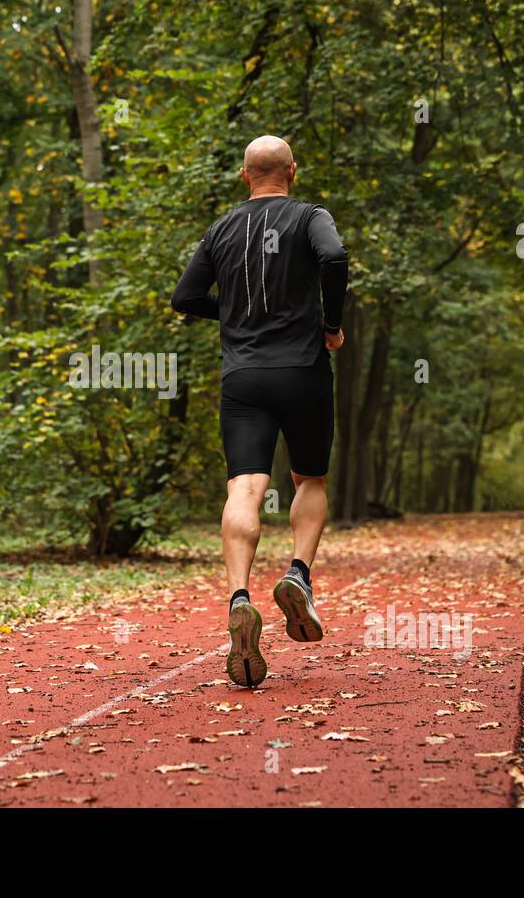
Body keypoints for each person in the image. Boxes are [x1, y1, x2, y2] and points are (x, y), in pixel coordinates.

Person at [171, 135, 349, 688]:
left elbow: (184, 296)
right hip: (303, 370)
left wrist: (234, 313)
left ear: (245, 176)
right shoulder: (310, 216)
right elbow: (335, 257)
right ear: (291, 171)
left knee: (244, 488)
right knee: (309, 478)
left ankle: (239, 597)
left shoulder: (221, 229)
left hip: (243, 376)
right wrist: (331, 323)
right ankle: (297, 574)